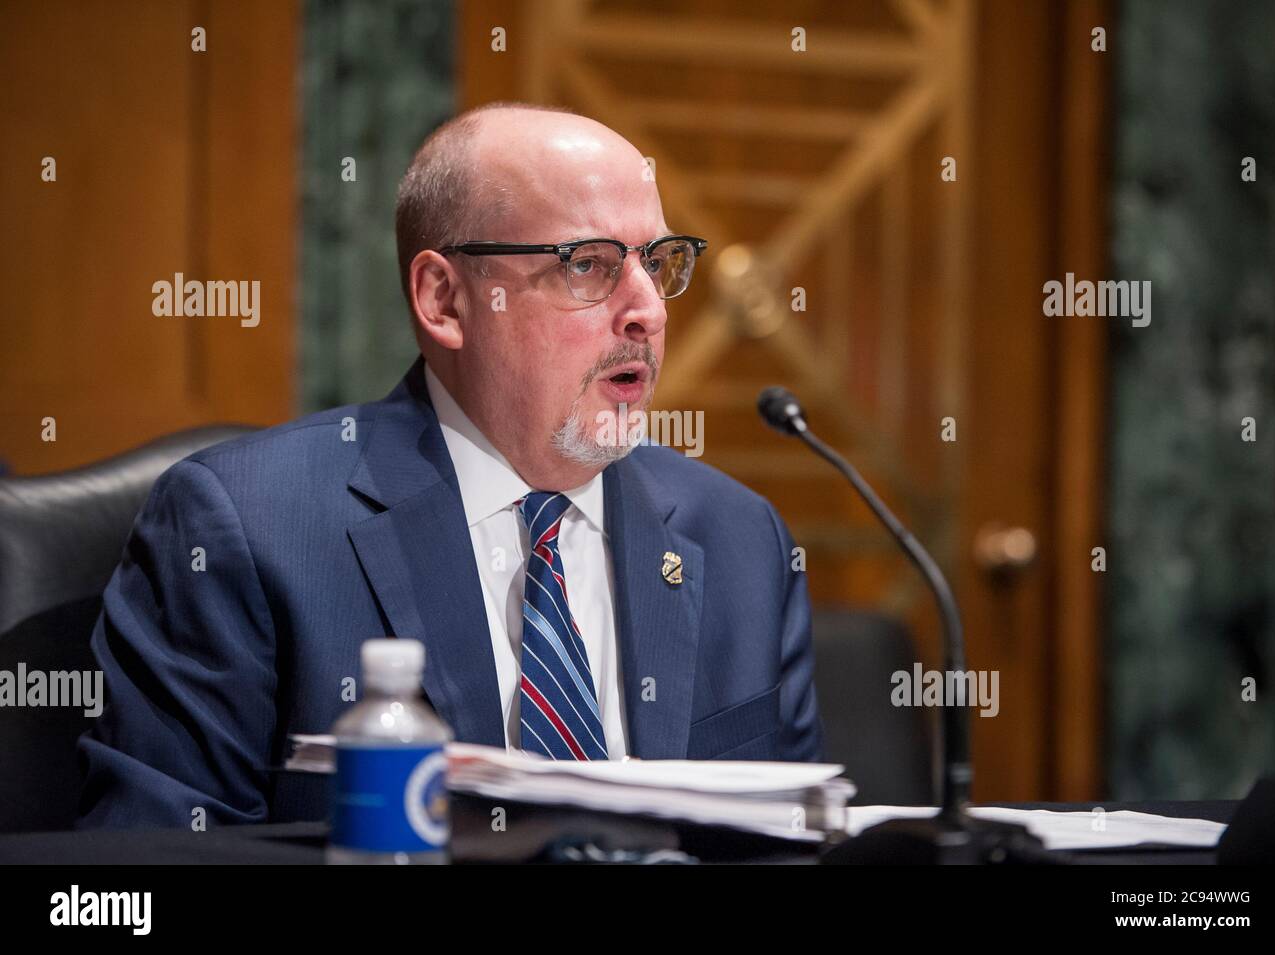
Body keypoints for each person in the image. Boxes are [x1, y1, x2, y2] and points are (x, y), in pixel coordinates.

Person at [77, 102, 822, 828]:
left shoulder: (740, 540)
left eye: (660, 263)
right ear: (445, 300)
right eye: (588, 264)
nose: (648, 310)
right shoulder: (247, 527)